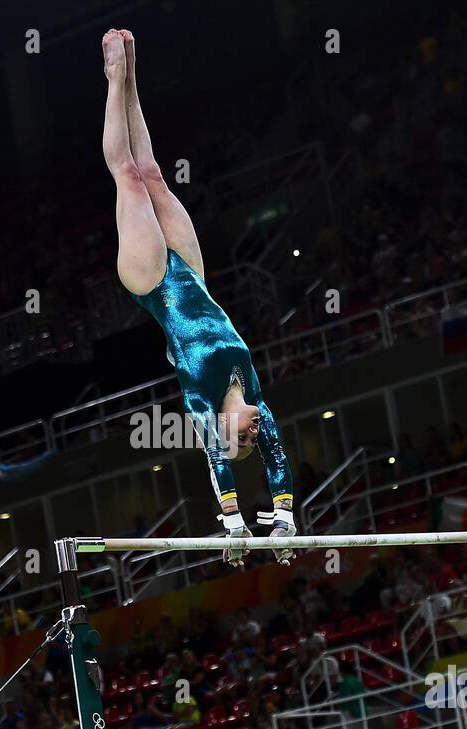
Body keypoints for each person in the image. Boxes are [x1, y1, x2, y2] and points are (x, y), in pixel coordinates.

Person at [100, 29, 295, 567]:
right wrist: (283, 518)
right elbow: (278, 459)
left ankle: (115, 80)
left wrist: (234, 521)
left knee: (129, 179)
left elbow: (217, 460)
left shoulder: (204, 407)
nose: (256, 432)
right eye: (258, 434)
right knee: (155, 174)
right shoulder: (255, 394)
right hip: (196, 275)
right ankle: (133, 71)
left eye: (246, 440)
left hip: (155, 285)